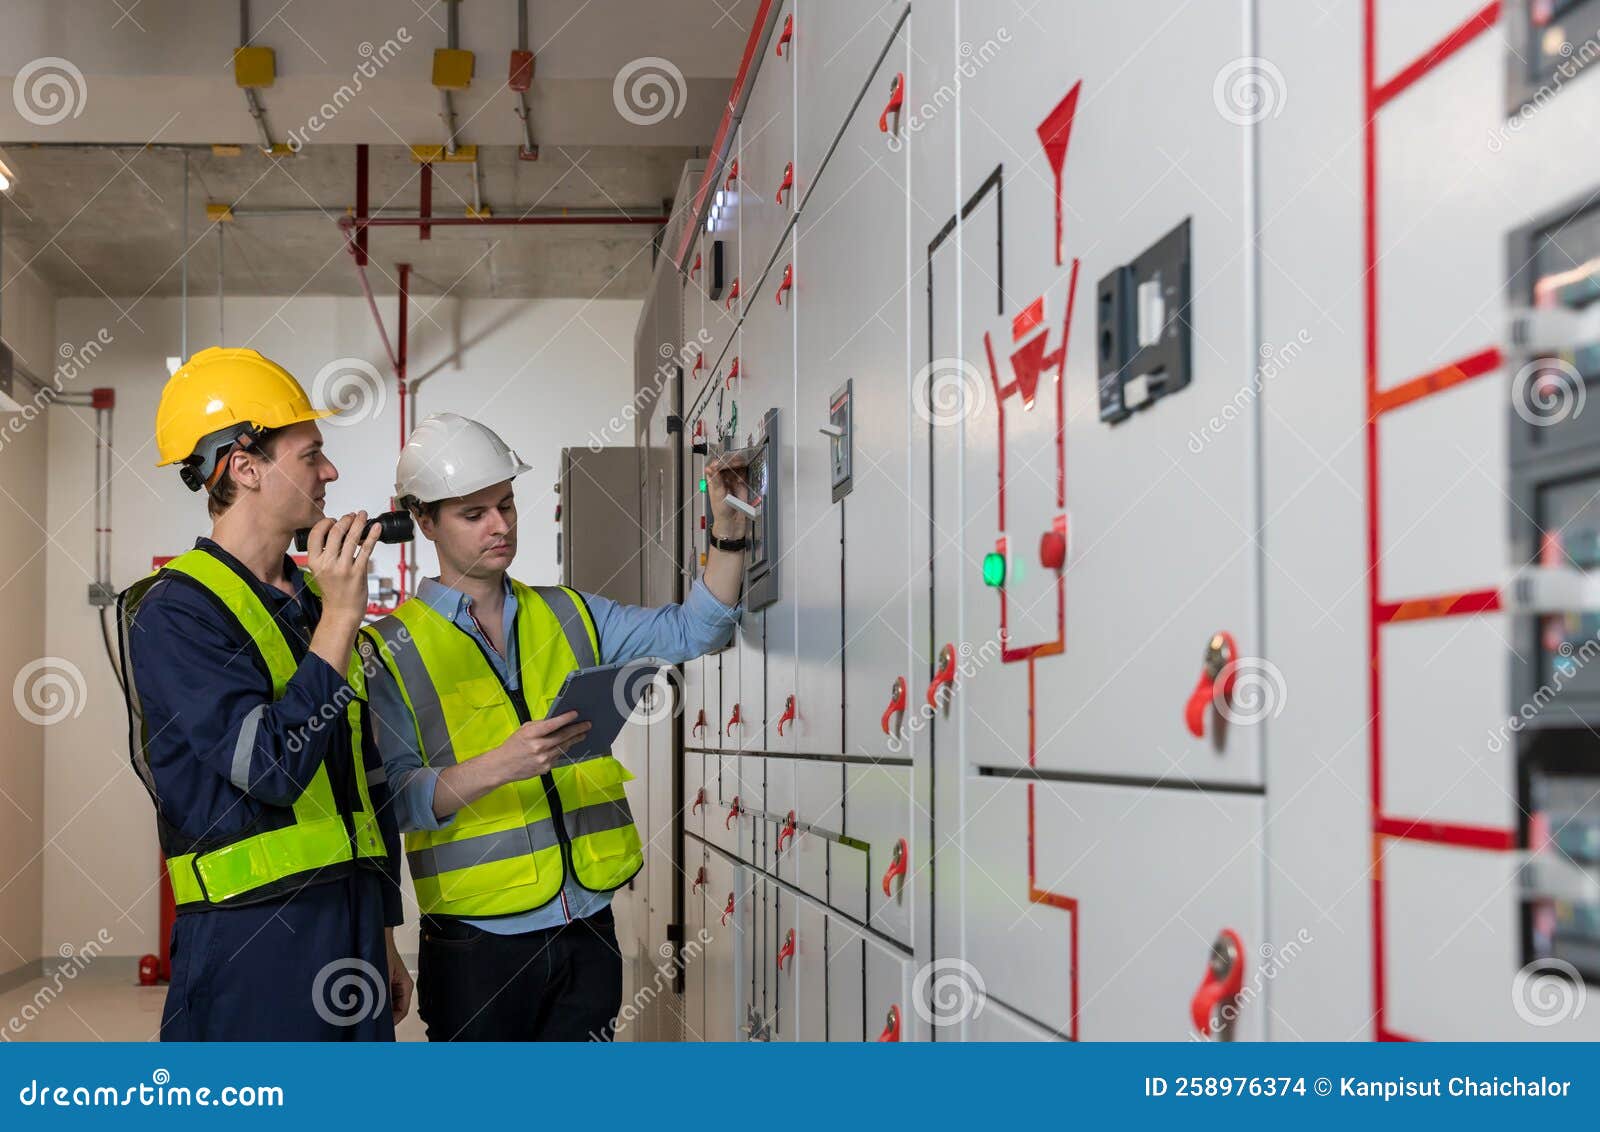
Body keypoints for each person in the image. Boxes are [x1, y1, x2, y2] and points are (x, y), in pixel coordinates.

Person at [363, 411, 747, 1041]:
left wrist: (728, 536)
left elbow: (695, 630)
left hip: (588, 925)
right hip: (475, 942)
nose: (500, 526)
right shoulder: (389, 650)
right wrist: (501, 764)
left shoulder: (572, 612)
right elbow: (394, 800)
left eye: (507, 505)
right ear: (424, 521)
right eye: (474, 513)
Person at [117, 347, 413, 1040]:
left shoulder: (314, 600)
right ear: (245, 466)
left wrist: (385, 931)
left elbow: (362, 783)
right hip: (252, 942)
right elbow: (271, 770)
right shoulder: (177, 612)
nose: (331, 471)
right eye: (311, 454)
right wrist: (344, 617)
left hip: (352, 928)